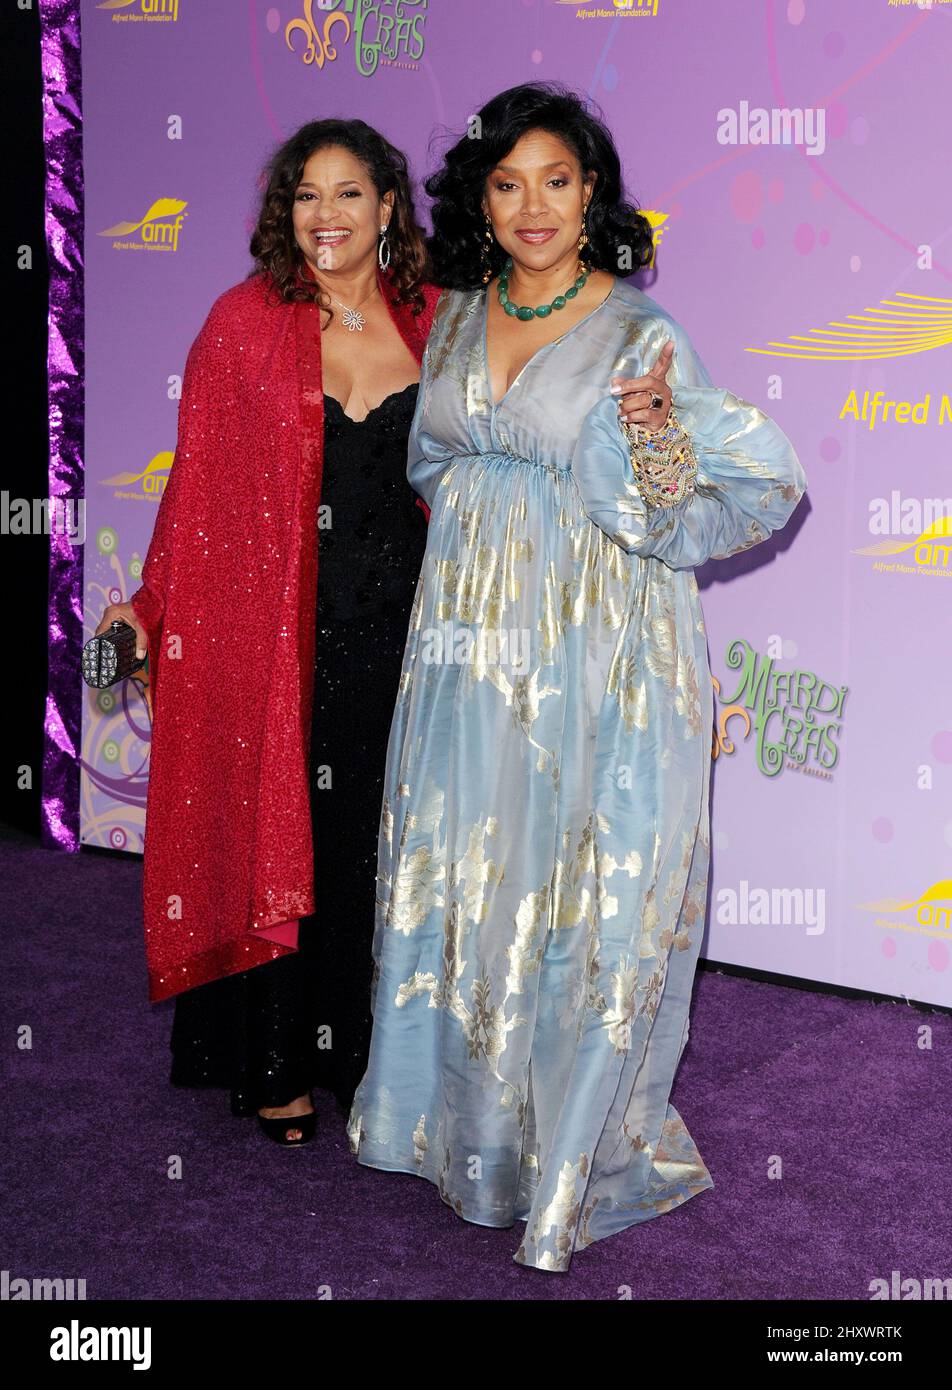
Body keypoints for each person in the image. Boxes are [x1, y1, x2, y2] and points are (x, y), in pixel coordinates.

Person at [346, 82, 808, 1270]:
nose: (533, 206)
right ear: (480, 201)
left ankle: (565, 1160)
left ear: (591, 192)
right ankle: (464, 1134)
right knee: (472, 873)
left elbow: (721, 494)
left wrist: (653, 437)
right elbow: (435, 464)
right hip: (468, 641)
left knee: (575, 885)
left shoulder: (637, 332)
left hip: (597, 641)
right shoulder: (451, 317)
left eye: (556, 180)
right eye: (507, 184)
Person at [96, 120, 441, 1143]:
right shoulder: (241, 324)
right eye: (304, 197)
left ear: (389, 207)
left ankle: (380, 1059)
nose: (325, 216)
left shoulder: (439, 322)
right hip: (278, 633)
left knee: (382, 842)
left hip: (415, 636)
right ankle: (279, 1059)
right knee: (284, 833)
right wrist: (151, 610)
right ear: (282, 213)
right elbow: (193, 492)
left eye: (348, 195)